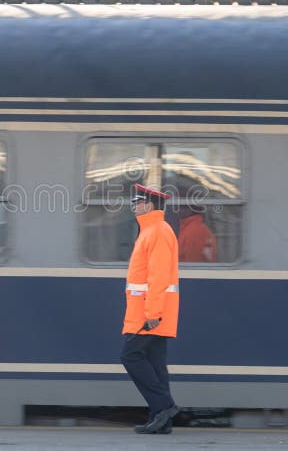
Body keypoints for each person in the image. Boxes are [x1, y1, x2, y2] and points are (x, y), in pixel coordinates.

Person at [120, 183, 180, 435]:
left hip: (151, 315)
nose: (133, 205)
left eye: (137, 201)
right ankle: (161, 420)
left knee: (130, 356)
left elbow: (158, 276)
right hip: (147, 313)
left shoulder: (156, 231)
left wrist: (153, 314)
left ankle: (164, 406)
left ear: (149, 204)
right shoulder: (151, 230)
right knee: (156, 365)